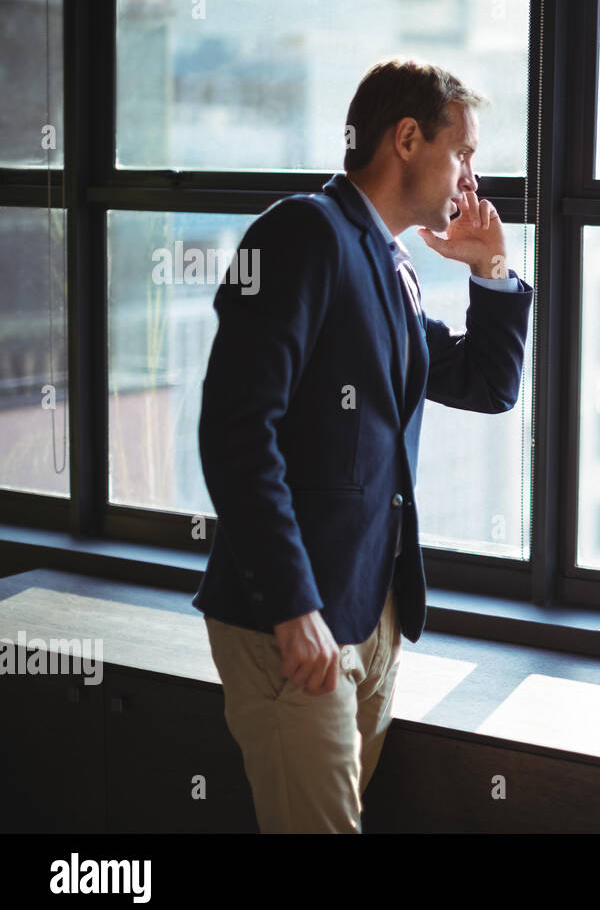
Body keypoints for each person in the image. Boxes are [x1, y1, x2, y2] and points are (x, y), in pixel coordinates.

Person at [192, 58, 533, 832]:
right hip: (294, 620)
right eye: (465, 153)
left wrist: (492, 268)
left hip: (368, 616)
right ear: (406, 138)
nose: (472, 181)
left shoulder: (392, 264)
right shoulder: (303, 234)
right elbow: (236, 429)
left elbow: (488, 384)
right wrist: (292, 607)